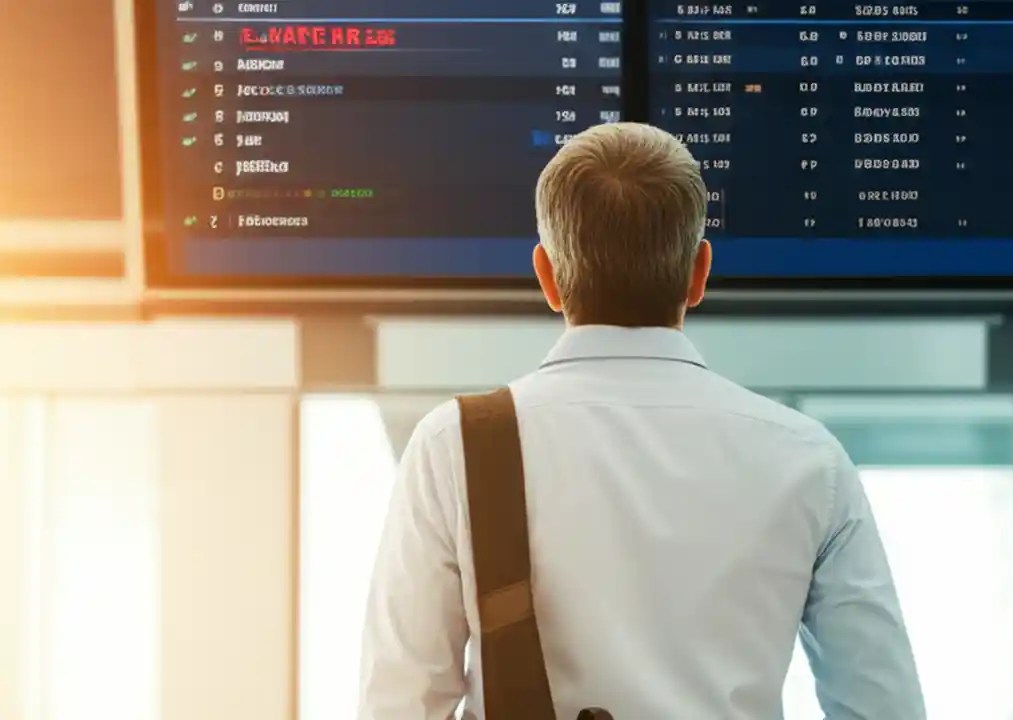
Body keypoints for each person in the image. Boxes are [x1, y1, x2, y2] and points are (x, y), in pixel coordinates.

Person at [358, 123, 925, 719]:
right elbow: (882, 705)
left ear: (547, 276)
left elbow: (401, 703)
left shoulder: (454, 446)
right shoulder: (809, 458)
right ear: (699, 273)